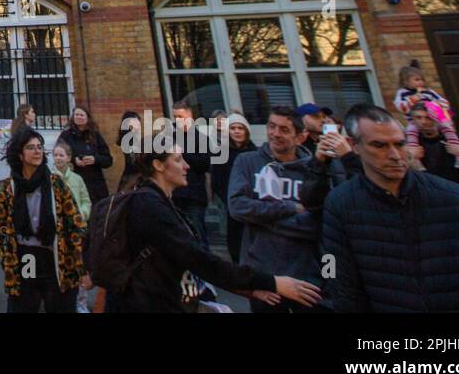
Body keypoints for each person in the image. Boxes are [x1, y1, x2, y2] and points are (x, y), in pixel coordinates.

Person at [321, 104, 459, 312]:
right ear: (354, 146)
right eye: (379, 145)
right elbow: (344, 284)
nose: (395, 155)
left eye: (400, 144)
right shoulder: (341, 203)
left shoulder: (457, 199)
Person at [104, 146, 320, 313]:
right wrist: (271, 282)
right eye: (178, 160)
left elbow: (196, 263)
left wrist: (249, 289)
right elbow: (200, 260)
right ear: (159, 165)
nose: (187, 166)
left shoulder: (161, 204)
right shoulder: (149, 206)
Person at [228, 107, 342, 312]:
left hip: (309, 275)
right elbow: (237, 207)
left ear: (300, 137)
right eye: (271, 126)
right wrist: (291, 207)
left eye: (284, 129)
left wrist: (266, 219)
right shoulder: (247, 161)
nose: (275, 134)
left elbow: (322, 220)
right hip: (264, 275)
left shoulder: (317, 169)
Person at [0, 128, 88, 313]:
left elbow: (75, 226)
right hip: (27, 258)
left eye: (40, 147)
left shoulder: (55, 184)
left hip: (55, 257)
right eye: (30, 147)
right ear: (20, 154)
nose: (37, 151)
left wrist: (83, 267)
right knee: (24, 305)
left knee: (60, 305)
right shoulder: (9, 188)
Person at [393, 64, 459, 171]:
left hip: (436, 118)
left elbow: (444, 103)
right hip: (413, 121)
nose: (420, 82)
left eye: (422, 79)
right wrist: (412, 100)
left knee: (448, 127)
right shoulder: (402, 93)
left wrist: (436, 104)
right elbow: (400, 107)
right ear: (405, 81)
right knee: (411, 132)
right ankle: (417, 162)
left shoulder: (428, 91)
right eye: (417, 79)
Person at [406, 101, 459, 191]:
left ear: (437, 118)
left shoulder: (455, 139)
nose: (423, 122)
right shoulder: (409, 144)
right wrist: (410, 157)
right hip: (429, 197)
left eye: (428, 117)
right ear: (413, 119)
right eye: (418, 117)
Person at [51, 141, 92, 312]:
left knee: (79, 265)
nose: (58, 158)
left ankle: (80, 303)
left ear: (68, 158)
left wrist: (80, 215)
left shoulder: (77, 179)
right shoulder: (48, 178)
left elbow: (86, 201)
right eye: (56, 155)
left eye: (62, 155)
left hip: (76, 229)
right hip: (57, 231)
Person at [209, 111, 254, 262]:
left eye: (240, 128)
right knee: (235, 237)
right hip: (232, 202)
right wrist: (227, 198)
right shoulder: (221, 152)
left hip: (253, 202)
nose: (236, 131)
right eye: (233, 128)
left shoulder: (254, 152)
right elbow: (217, 179)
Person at [170, 101, 212, 245]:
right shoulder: (171, 137)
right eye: (175, 117)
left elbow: (205, 164)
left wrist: (182, 152)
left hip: (194, 194)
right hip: (175, 193)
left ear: (190, 116)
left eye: (181, 116)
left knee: (197, 235)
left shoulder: (200, 138)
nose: (178, 121)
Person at [58, 105, 112, 212]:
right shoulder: (66, 135)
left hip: (95, 182)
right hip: (74, 180)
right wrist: (74, 160)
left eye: (82, 115)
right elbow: (58, 154)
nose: (79, 117)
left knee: (99, 213)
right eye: (76, 115)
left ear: (87, 118)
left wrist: (95, 159)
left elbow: (108, 160)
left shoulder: (95, 135)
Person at [116, 109, 144, 192]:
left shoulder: (136, 138)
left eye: (137, 120)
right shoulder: (128, 139)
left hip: (135, 176)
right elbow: (133, 162)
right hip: (133, 178)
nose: (137, 123)